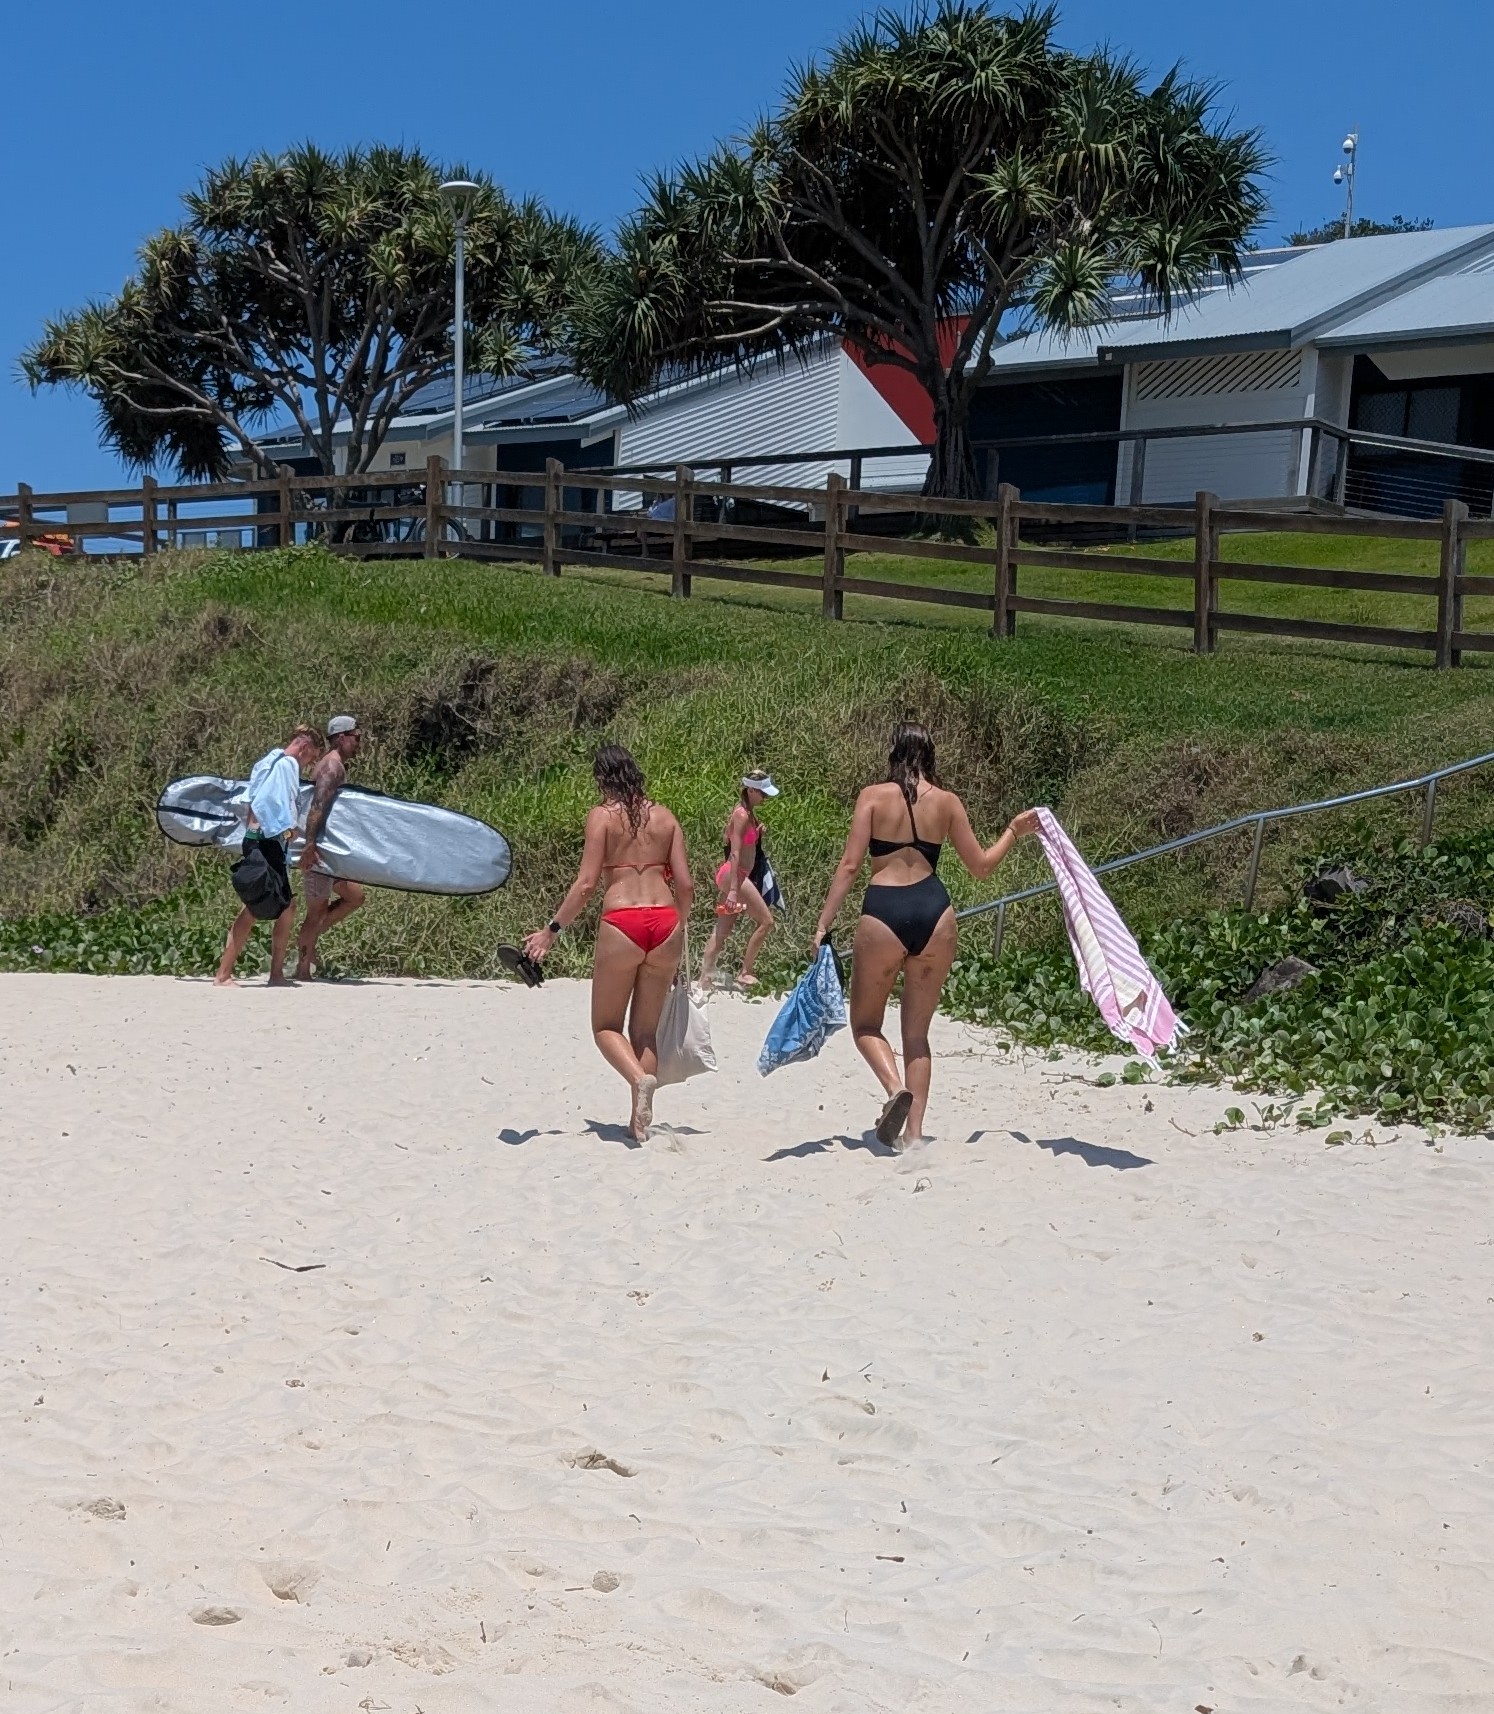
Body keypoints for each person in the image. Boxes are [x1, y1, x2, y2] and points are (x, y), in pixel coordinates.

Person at [811, 722, 1040, 1148]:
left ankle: (895, 1089)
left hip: (884, 911)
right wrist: (1013, 830)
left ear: (893, 753)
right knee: (916, 1036)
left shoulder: (873, 797)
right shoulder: (949, 803)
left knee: (865, 1025)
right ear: (930, 755)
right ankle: (914, 1137)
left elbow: (848, 866)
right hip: (936, 914)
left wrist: (824, 923)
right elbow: (982, 867)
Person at [523, 745, 693, 1141]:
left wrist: (551, 931)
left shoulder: (601, 818)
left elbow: (585, 885)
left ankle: (639, 1082)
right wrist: (678, 928)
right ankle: (639, 1124)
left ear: (602, 778)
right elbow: (685, 884)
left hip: (623, 920)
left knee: (604, 1026)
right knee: (646, 1032)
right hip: (666, 921)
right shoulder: (666, 817)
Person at [214, 724, 324, 987]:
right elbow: (266, 803)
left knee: (285, 907)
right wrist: (287, 832)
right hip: (267, 842)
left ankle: (273, 973)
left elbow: (254, 799)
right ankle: (225, 974)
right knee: (256, 908)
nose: (309, 764)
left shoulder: (269, 760)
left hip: (258, 841)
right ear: (304, 747)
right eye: (311, 757)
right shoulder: (287, 766)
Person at [295, 714, 366, 980]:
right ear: (340, 738)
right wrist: (310, 845)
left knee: (355, 896)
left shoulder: (336, 766)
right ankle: (302, 969)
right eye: (355, 738)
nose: (359, 743)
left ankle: (307, 942)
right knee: (315, 913)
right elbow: (317, 806)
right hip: (319, 852)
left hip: (331, 852)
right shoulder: (331, 767)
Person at [698, 769, 781, 992]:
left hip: (737, 876)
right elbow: (734, 852)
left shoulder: (749, 814)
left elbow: (744, 842)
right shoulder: (741, 814)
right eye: (762, 794)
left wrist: (758, 833)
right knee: (766, 921)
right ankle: (746, 972)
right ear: (751, 790)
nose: (765, 798)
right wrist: (734, 890)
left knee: (724, 926)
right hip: (735, 876)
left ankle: (704, 976)